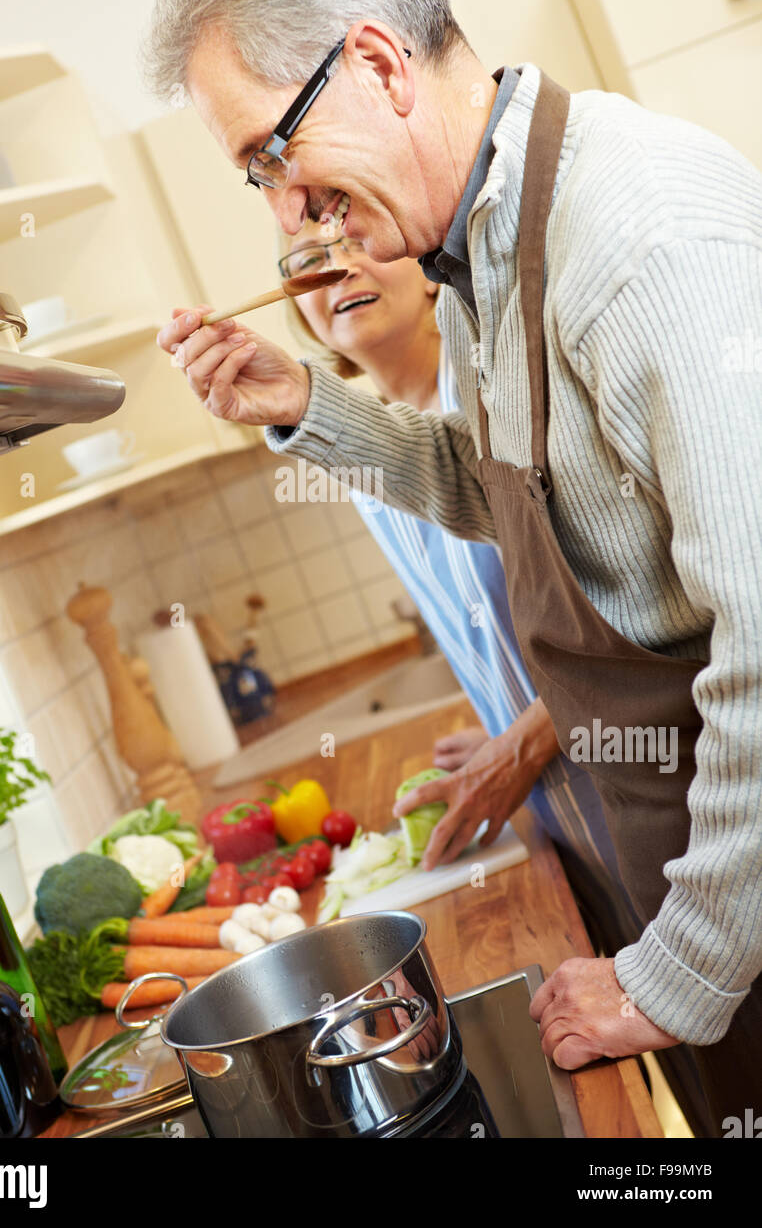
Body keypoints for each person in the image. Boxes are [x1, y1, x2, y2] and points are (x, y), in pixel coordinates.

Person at [147, 0, 762, 1129]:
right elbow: (503, 501)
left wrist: (679, 970)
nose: (283, 212)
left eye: (272, 155)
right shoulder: (489, 251)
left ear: (372, 63)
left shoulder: (629, 235)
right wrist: (300, 404)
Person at [278, 220, 712, 1133]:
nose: (337, 272)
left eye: (356, 238)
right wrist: (509, 724)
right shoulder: (361, 463)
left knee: (732, 1049)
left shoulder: (495, 405)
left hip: (667, 805)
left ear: (424, 257)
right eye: (305, 265)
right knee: (690, 1093)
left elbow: (641, 606)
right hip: (574, 829)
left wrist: (527, 739)